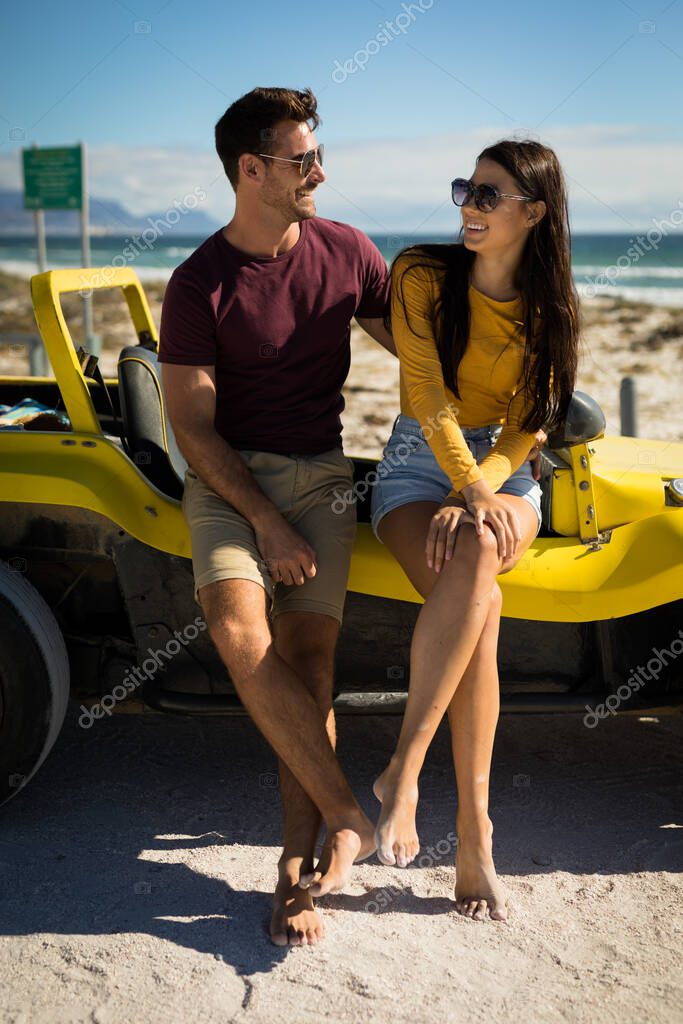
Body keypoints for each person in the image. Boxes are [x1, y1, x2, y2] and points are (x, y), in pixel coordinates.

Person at [158, 86, 395, 946]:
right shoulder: (197, 284)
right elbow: (192, 428)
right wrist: (265, 521)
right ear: (250, 170)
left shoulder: (348, 250)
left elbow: (419, 349)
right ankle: (345, 811)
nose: (319, 173)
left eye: (316, 155)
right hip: (228, 482)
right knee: (236, 624)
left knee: (310, 654)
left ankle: (296, 867)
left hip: (323, 474)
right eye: (302, 161)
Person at [369, 139, 580, 921]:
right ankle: (472, 835)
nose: (467, 204)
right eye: (466, 188)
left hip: (504, 474)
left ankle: (407, 773)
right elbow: (426, 395)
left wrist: (480, 490)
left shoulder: (553, 307)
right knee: (479, 604)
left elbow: (527, 429)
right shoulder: (420, 275)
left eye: (487, 195)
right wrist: (459, 486)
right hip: (416, 464)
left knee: (480, 548)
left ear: (533, 212)